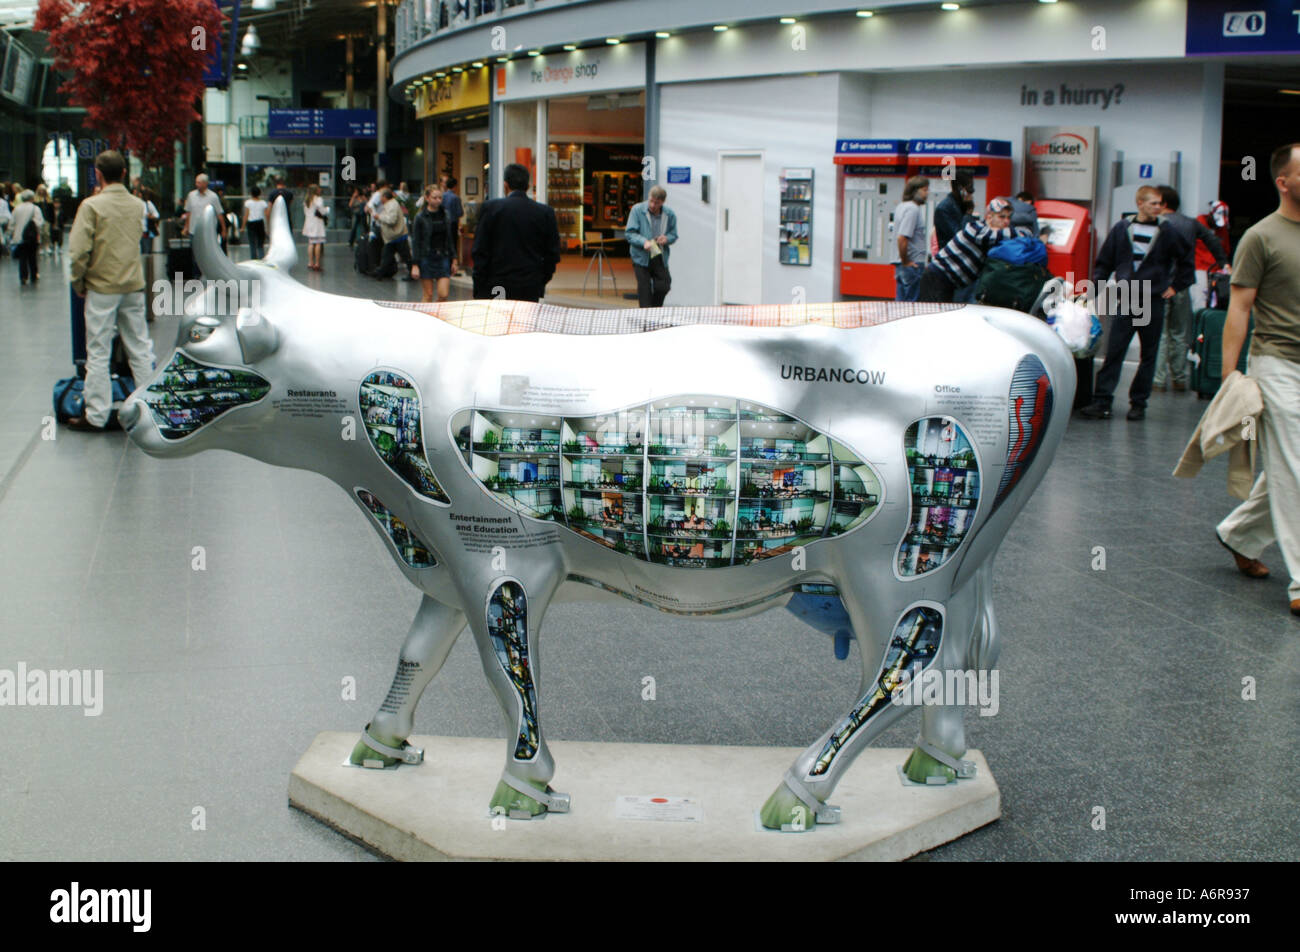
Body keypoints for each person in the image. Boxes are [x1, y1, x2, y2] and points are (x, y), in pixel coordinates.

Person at [1214, 143, 1300, 617]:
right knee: (1294, 466)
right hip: (1277, 364)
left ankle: (1238, 534)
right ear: (1282, 181)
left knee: (1289, 470)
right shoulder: (1261, 237)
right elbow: (1239, 309)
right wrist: (1231, 378)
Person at [1079, 185, 1191, 421]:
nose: (1158, 208)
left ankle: (1138, 403)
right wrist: (1093, 290)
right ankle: (1102, 401)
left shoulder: (1167, 231)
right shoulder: (1123, 229)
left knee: (1148, 354)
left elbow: (1186, 258)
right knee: (1115, 351)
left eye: (1160, 204)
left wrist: (1176, 286)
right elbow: (1105, 262)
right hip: (1128, 297)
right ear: (1139, 203)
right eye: (1153, 203)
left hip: (1152, 298)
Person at [65, 150, 157, 432]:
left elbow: (79, 252)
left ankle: (96, 415)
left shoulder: (91, 206)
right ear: (125, 174)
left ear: (99, 174)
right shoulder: (136, 205)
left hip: (102, 288)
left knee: (98, 352)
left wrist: (78, 282)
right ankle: (150, 410)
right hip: (132, 285)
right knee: (140, 348)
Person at [1152, 185, 1228, 394]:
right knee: (1179, 332)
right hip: (1181, 286)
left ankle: (1158, 380)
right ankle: (1179, 378)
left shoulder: (1156, 223)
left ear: (1163, 203)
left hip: (1157, 286)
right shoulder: (1190, 223)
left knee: (1160, 333)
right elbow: (1212, 240)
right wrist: (1223, 263)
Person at [471, 163, 560, 302]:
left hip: (496, 282)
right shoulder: (544, 212)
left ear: (505, 185)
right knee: (525, 322)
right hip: (529, 284)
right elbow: (552, 253)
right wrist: (540, 280)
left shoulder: (491, 208)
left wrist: (479, 283)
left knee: (500, 322)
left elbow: (480, 249)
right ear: (528, 186)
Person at [916, 197, 1022, 303]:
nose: (1006, 221)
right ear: (989, 217)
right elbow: (1004, 235)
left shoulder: (994, 235)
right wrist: (1015, 233)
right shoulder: (975, 228)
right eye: (1001, 217)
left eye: (1009, 217)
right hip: (937, 277)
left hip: (948, 282)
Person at [625, 184, 678, 308]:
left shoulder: (669, 214)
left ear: (663, 202)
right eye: (651, 201)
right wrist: (643, 242)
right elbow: (629, 233)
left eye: (657, 203)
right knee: (645, 290)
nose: (653, 205)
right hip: (641, 256)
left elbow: (673, 234)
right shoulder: (637, 210)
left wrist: (667, 238)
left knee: (664, 285)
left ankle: (654, 310)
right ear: (648, 197)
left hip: (658, 252)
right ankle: (646, 316)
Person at [410, 185, 458, 303]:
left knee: (443, 294)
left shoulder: (445, 214)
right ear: (427, 198)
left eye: (440, 198)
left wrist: (454, 259)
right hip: (426, 256)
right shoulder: (420, 217)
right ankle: (425, 318)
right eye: (434, 197)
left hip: (443, 256)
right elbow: (416, 241)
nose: (438, 200)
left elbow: (450, 237)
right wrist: (415, 264)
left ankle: (436, 315)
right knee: (428, 294)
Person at [890, 176, 929, 302]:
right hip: (912, 264)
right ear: (915, 191)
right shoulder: (913, 209)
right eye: (924, 190)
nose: (927, 194)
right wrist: (906, 261)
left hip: (901, 264)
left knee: (900, 306)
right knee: (911, 306)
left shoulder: (902, 206)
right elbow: (902, 238)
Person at [1194, 200, 1232, 311]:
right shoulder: (1197, 225)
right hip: (1199, 268)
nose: (1217, 225)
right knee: (1199, 301)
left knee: (1216, 302)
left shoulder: (1222, 229)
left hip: (1216, 271)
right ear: (1210, 214)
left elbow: (1226, 250)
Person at [182, 173, 227, 259]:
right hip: (193, 230)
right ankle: (196, 272)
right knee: (195, 254)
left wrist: (223, 229)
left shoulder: (213, 197)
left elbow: (219, 213)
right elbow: (188, 212)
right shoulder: (191, 195)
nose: (196, 185)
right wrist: (186, 227)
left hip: (208, 231)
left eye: (199, 182)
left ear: (205, 183)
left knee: (207, 254)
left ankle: (205, 271)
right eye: (196, 182)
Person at [374, 187, 412, 279]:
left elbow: (391, 220)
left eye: (380, 196)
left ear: (384, 197)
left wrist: (379, 217)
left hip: (397, 236)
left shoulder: (392, 205)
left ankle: (412, 272)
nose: (379, 199)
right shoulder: (389, 204)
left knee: (404, 256)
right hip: (393, 236)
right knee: (388, 255)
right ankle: (380, 273)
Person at [10, 190, 44, 285]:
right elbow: (39, 223)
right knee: (32, 257)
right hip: (32, 238)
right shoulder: (35, 208)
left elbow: (12, 224)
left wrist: (11, 234)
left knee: (22, 258)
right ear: (32, 198)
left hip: (20, 238)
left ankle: (23, 277)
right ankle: (34, 275)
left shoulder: (16, 209)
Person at [439, 175, 464, 271]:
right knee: (453, 244)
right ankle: (452, 265)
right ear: (455, 186)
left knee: (444, 244)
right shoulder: (456, 198)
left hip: (442, 223)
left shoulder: (442, 196)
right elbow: (460, 213)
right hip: (453, 223)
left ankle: (444, 264)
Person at [302, 184, 328, 271]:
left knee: (310, 243)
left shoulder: (306, 200)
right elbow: (322, 211)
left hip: (309, 222)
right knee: (318, 243)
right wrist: (327, 210)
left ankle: (310, 262)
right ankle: (317, 263)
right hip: (317, 223)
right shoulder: (318, 199)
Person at [242, 186, 268, 260]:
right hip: (260, 223)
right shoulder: (263, 203)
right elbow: (266, 215)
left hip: (251, 223)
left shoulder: (248, 203)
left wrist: (243, 226)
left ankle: (254, 259)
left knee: (252, 242)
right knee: (260, 243)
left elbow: (246, 215)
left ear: (251, 193)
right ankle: (261, 258)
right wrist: (267, 227)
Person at [139, 187, 160, 257]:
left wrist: (150, 216)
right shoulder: (137, 203)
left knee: (146, 253)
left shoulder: (148, 204)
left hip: (145, 232)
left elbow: (157, 215)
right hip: (137, 232)